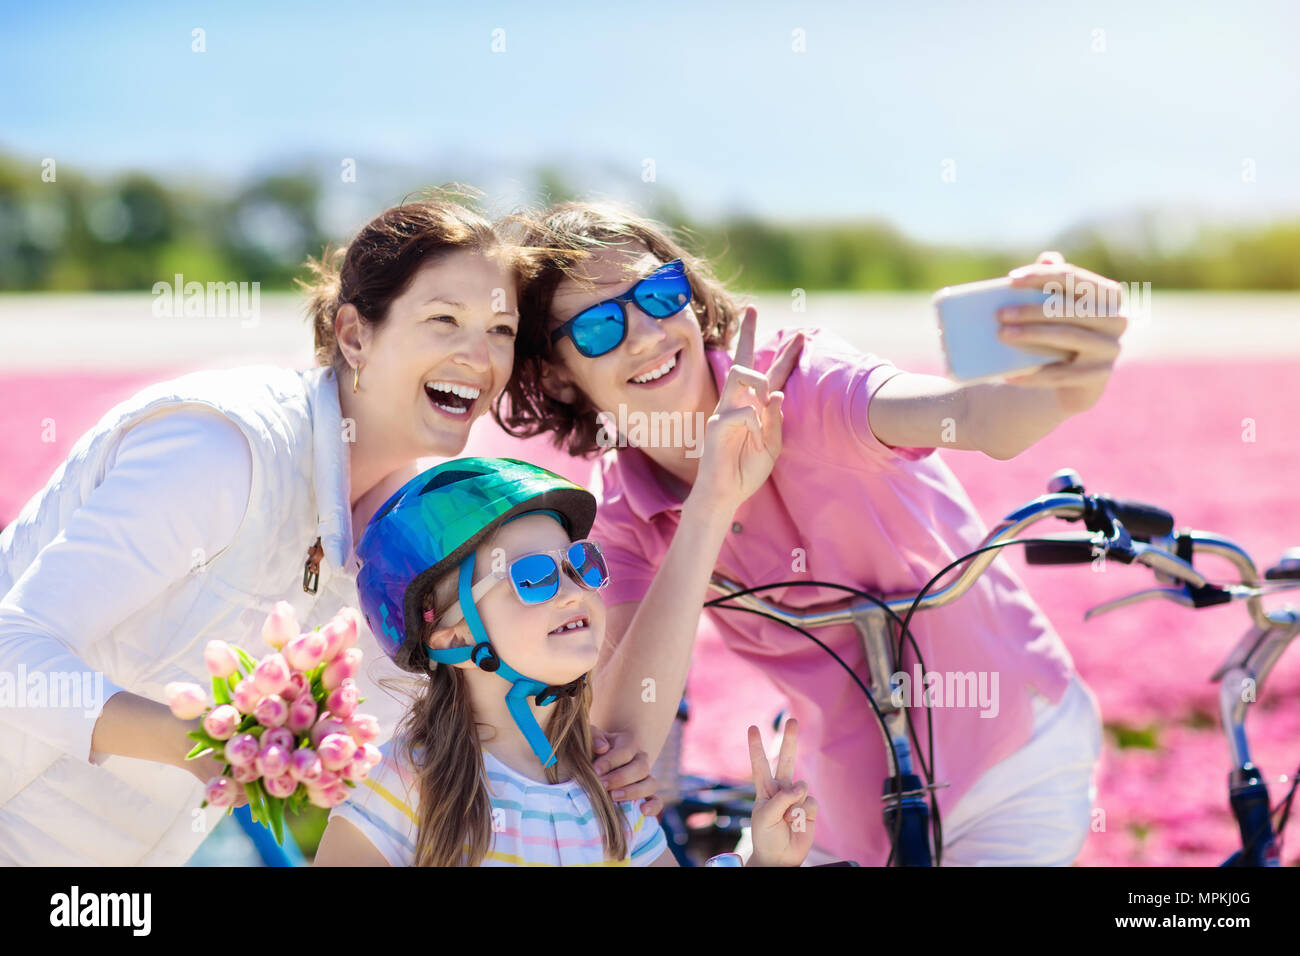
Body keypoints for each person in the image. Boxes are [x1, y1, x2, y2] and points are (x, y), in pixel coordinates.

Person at [0, 196, 656, 866]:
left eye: (499, 330)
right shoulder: (224, 448)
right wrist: (205, 742)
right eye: (443, 320)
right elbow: (8, 649)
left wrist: (598, 756)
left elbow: (460, 716)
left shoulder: (403, 545)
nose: (477, 355)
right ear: (353, 336)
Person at [494, 201, 1120, 865]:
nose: (646, 332)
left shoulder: (805, 383)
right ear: (557, 374)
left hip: (1013, 759)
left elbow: (971, 415)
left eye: (659, 292)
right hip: (841, 803)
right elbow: (627, 741)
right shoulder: (623, 510)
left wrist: (1066, 381)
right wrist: (711, 499)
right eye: (597, 326)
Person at [315, 457, 816, 866]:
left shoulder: (612, 797)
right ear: (455, 635)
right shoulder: (405, 785)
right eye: (533, 577)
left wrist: (767, 861)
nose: (573, 592)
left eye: (581, 564)